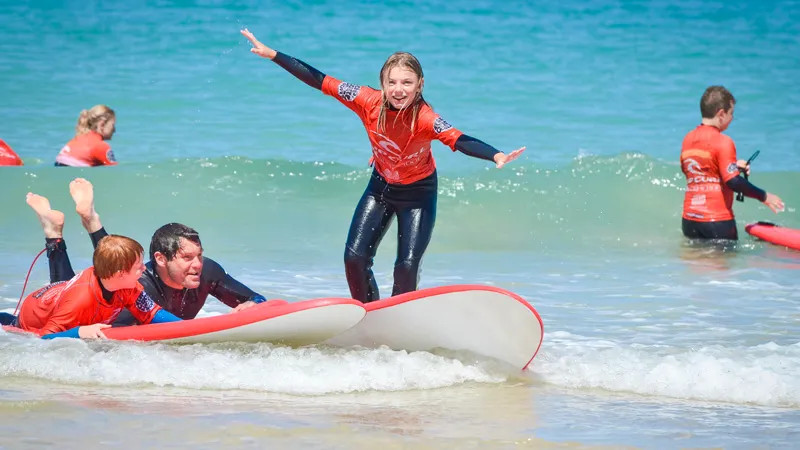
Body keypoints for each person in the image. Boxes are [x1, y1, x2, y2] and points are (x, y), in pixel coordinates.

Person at [241, 28, 525, 302]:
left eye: (407, 82)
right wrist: (274, 55)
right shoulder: (366, 100)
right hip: (380, 187)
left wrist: (495, 155)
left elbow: (459, 139)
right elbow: (320, 80)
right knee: (354, 258)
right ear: (382, 84)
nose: (398, 90)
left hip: (418, 194)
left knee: (406, 266)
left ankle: (401, 319)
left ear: (419, 85)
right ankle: (369, 313)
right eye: (392, 82)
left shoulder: (425, 118)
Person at [47, 178, 268, 324]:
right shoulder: (138, 283)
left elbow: (257, 298)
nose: (198, 264)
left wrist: (252, 304)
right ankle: (57, 235)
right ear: (161, 259)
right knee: (65, 290)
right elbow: (112, 257)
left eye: (199, 255)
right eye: (188, 257)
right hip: (81, 313)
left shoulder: (208, 272)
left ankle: (88, 220)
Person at [0, 193, 181, 339]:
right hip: (34, 312)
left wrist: (187, 327)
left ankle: (52, 229)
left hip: (62, 294)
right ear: (119, 274)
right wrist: (78, 332)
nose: (144, 269)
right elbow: (45, 337)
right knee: (14, 324)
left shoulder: (128, 287)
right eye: (138, 266)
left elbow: (152, 313)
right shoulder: (80, 301)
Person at [680, 86, 784, 240]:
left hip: (690, 220)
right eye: (731, 114)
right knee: (724, 263)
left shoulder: (687, 139)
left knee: (697, 262)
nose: (732, 119)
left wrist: (732, 165)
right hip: (716, 222)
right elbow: (733, 181)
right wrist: (764, 196)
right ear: (721, 114)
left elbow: (700, 170)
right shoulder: (724, 141)